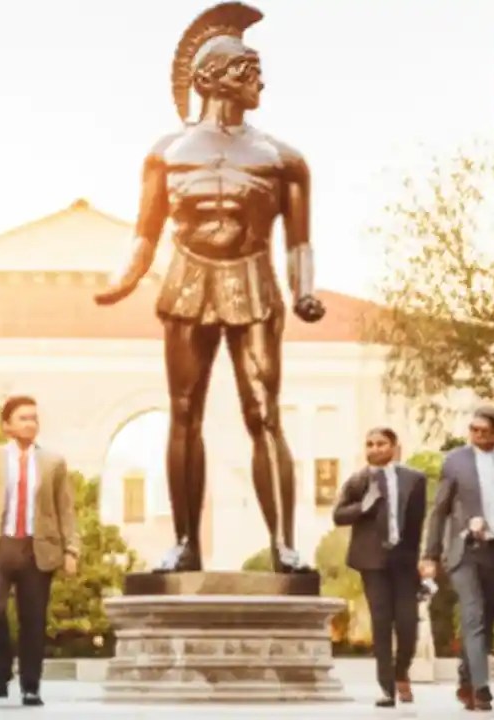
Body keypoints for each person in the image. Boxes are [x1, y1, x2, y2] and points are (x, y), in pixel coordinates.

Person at [93, 2, 326, 573]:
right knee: (183, 411)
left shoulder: (284, 159)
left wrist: (303, 290)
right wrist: (122, 281)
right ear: (210, 78)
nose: (260, 80)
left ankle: (282, 544)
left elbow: (298, 242)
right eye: (248, 69)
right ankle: (185, 543)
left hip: (253, 281)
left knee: (263, 409)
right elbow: (144, 234)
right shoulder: (166, 154)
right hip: (188, 281)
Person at [0, 396, 79, 708]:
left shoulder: (53, 462)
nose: (30, 423)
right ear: (6, 426)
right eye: (23, 418)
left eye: (34, 418)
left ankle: (31, 685)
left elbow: (65, 509)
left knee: (33, 620)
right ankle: (1, 676)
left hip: (38, 548)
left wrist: (72, 549)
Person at [421, 406, 494, 712]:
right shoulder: (455, 461)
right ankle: (482, 688)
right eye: (474, 429)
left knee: (487, 618)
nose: (478, 435)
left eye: (484, 430)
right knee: (473, 615)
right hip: (464, 550)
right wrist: (430, 554)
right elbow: (439, 510)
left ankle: (466, 677)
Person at [332, 427, 427, 708]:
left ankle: (402, 672)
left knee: (408, 624)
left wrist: (420, 559)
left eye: (381, 444)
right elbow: (338, 515)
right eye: (370, 444)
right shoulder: (358, 480)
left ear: (395, 447)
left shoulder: (414, 479)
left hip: (404, 561)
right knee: (382, 624)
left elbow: (417, 522)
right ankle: (387, 688)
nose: (375, 449)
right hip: (371, 562)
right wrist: (364, 506)